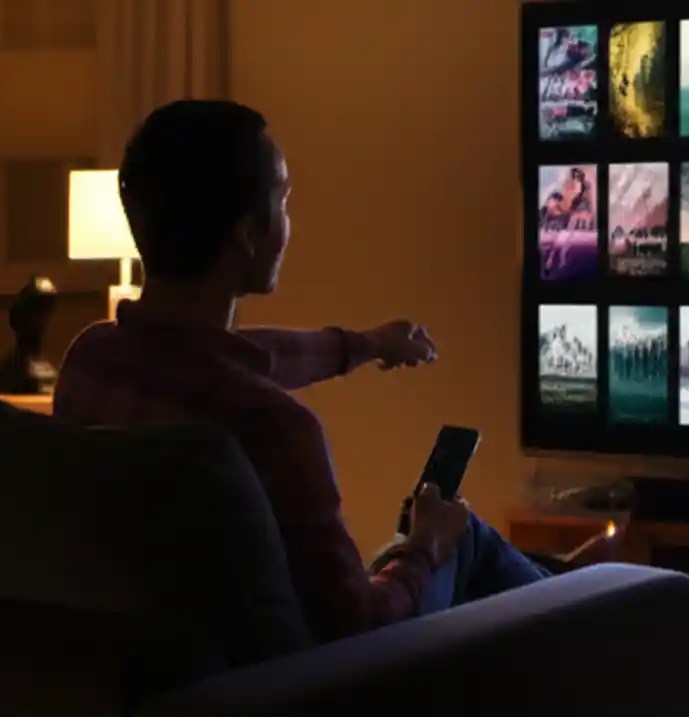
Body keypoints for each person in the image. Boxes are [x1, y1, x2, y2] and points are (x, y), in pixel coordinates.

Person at [52, 100, 618, 646]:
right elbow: (360, 631)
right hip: (325, 682)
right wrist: (425, 545)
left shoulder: (91, 364)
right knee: (458, 536)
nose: (289, 222)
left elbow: (232, 358)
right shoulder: (276, 429)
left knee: (434, 544)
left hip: (162, 667)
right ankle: (594, 609)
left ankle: (562, 580)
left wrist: (366, 345)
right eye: (284, 199)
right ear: (247, 233)